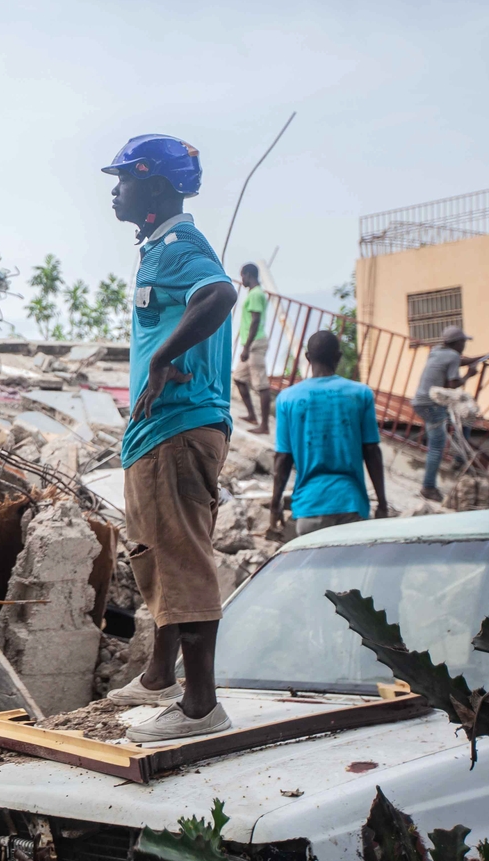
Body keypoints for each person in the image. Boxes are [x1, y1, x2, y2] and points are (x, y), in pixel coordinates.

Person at [98, 134, 238, 741]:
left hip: (180, 424)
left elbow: (221, 294)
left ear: (154, 186)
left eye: (125, 178)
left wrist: (161, 362)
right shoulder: (158, 249)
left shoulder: (181, 245)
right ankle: (160, 674)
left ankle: (201, 706)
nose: (115, 189)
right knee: (159, 551)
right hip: (163, 428)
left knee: (180, 557)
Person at [269, 331, 390, 538]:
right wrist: (382, 503)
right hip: (351, 505)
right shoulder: (360, 394)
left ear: (308, 357)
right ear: (338, 357)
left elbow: (283, 458)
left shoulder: (287, 398)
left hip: (309, 507)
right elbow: (371, 451)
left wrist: (275, 506)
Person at [411, 325, 489, 502]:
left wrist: (484, 356)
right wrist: (469, 376)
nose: (464, 344)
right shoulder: (452, 356)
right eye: (463, 342)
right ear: (457, 343)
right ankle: (428, 487)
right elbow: (452, 384)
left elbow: (460, 360)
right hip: (432, 403)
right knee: (437, 444)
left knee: (462, 417)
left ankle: (459, 458)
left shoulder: (437, 351)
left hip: (421, 400)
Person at [233, 263, 272, 435]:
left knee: (261, 384)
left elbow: (255, 320)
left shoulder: (256, 294)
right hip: (251, 343)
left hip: (254, 343)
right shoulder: (255, 293)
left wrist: (247, 347)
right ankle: (252, 415)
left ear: (248, 274)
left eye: (242, 276)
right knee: (239, 378)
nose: (242, 280)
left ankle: (264, 426)